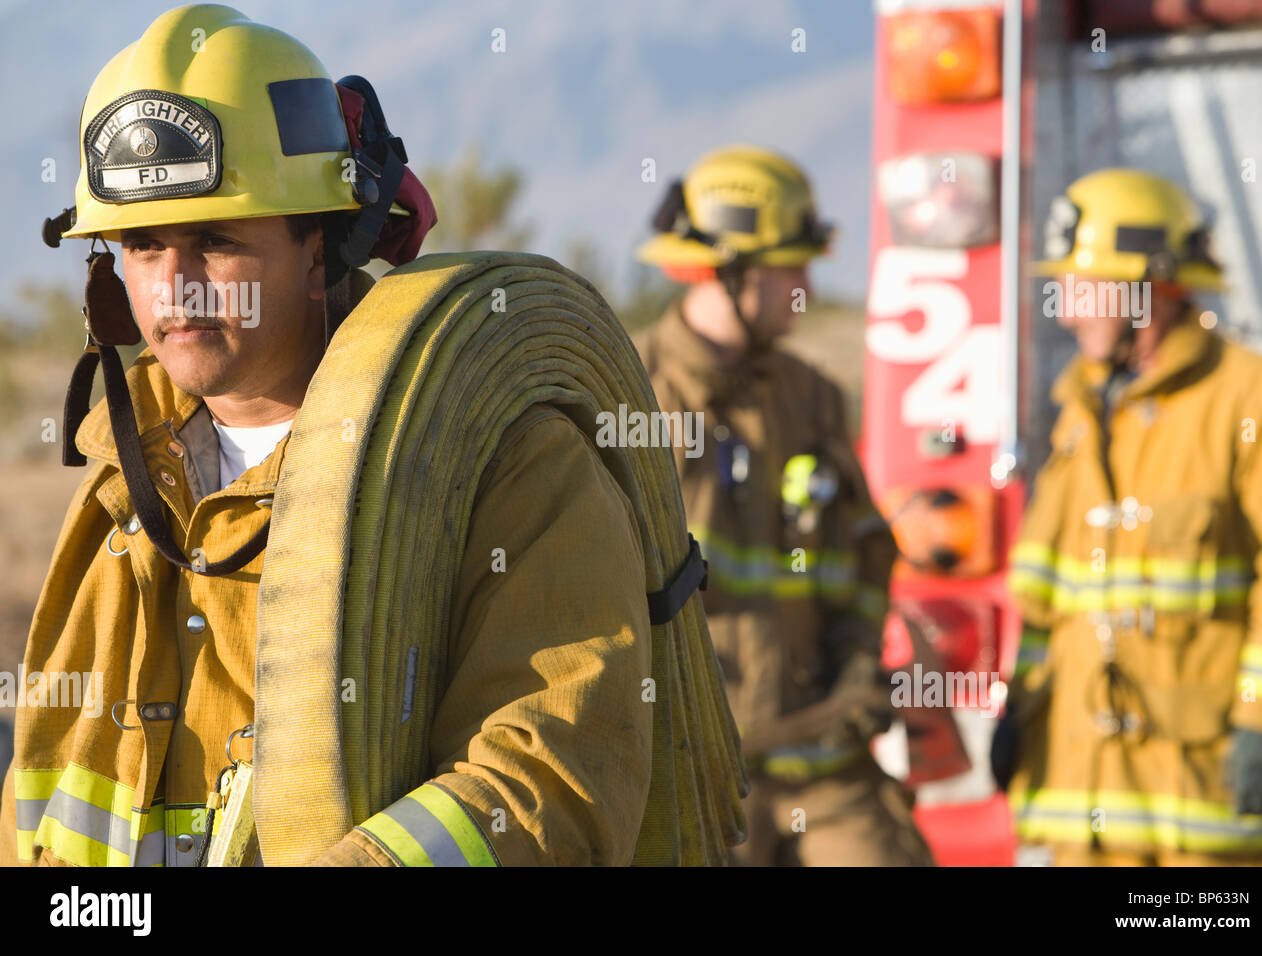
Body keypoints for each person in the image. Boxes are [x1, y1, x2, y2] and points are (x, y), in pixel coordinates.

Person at [0, 4, 741, 868]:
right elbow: (50, 803)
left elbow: (546, 785)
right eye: (142, 245)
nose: (176, 288)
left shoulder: (501, 465)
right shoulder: (127, 484)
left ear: (319, 247)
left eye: (216, 242)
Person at [635, 145, 934, 866]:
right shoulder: (627, 389)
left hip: (821, 763)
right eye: (790, 267)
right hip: (687, 776)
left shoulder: (813, 399)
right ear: (732, 270)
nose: (807, 284)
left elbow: (865, 550)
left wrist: (860, 659)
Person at [995, 167, 1262, 865]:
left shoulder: (1252, 402)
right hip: (1087, 806)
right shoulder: (1081, 413)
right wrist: (1022, 705)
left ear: (1145, 290)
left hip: (1200, 803)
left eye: (1079, 286)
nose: (1066, 312)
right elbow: (1051, 597)